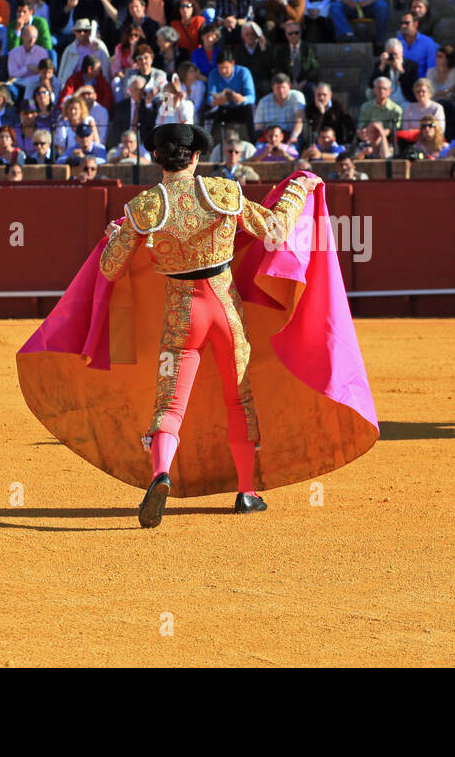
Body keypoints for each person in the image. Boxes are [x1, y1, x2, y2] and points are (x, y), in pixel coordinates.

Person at [95, 122, 319, 526]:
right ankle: (247, 493)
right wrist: (298, 188)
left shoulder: (144, 208)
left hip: (182, 317)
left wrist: (116, 236)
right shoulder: (223, 192)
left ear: (156, 159)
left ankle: (161, 472)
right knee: (238, 400)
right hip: (225, 311)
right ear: (195, 156)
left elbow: (109, 268)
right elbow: (276, 230)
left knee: (170, 404)